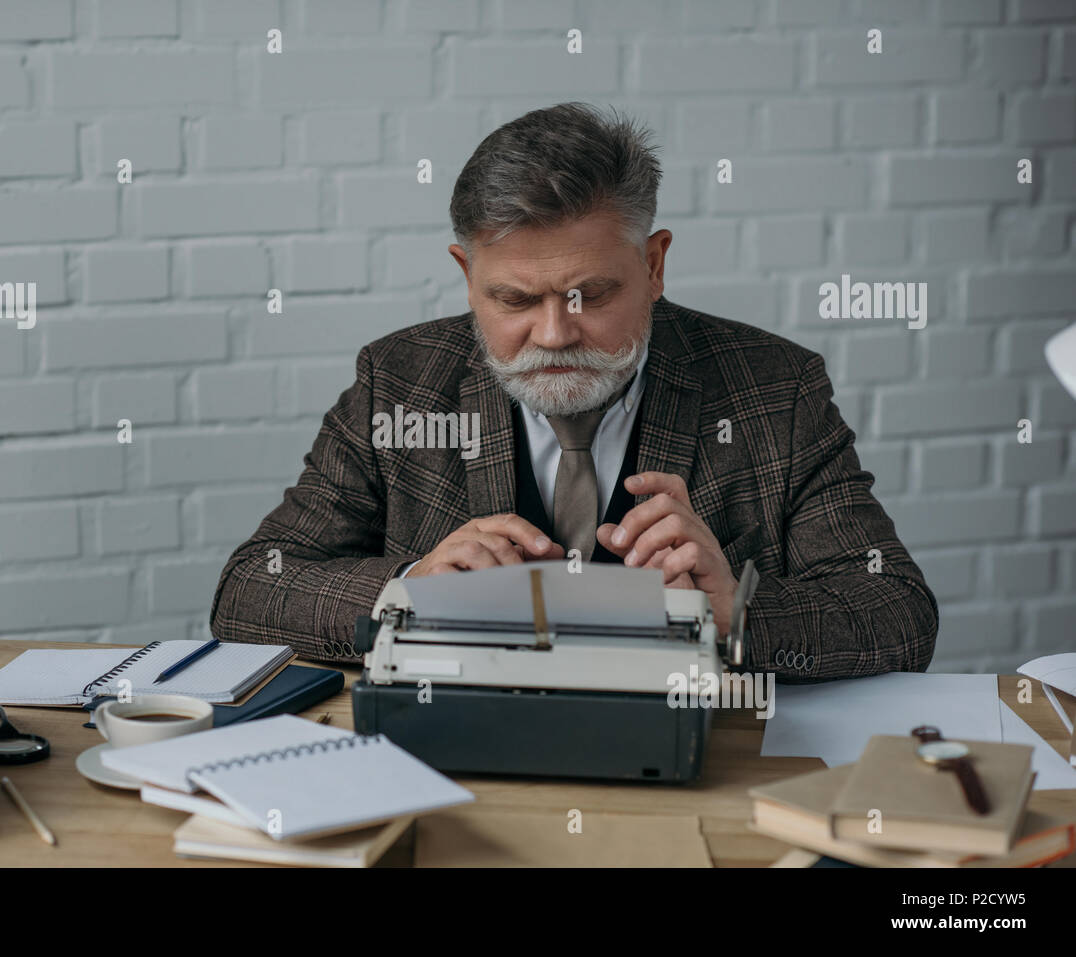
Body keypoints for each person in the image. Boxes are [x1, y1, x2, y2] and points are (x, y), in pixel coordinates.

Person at [211, 102, 938, 680]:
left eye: (590, 293)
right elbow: (248, 588)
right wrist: (410, 586)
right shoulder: (395, 384)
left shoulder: (775, 389)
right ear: (467, 275)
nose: (555, 334)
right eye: (514, 299)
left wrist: (737, 611)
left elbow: (898, 610)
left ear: (654, 265)